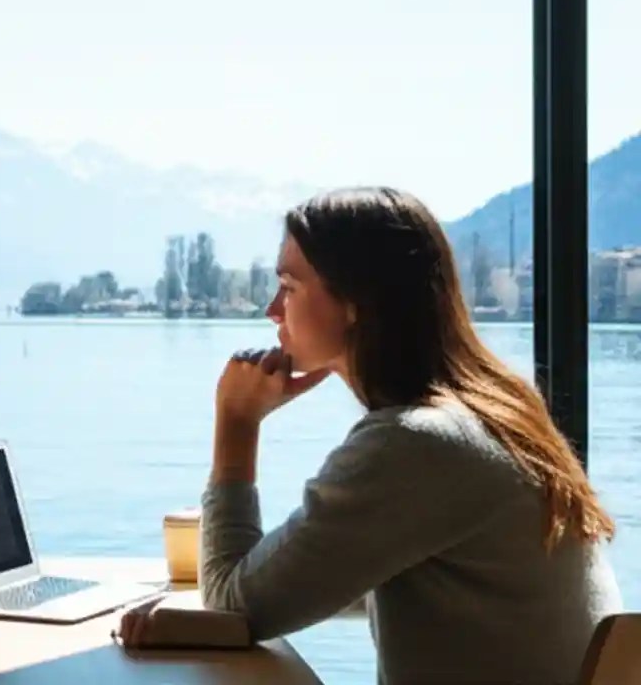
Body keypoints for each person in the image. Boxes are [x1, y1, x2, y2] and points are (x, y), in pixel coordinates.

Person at [117, 187, 622, 684]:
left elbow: (233, 602)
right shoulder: (500, 412)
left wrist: (236, 425)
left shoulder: (416, 444)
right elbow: (340, 577)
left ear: (355, 301)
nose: (272, 309)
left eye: (289, 287)